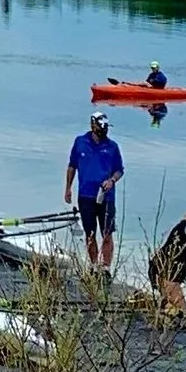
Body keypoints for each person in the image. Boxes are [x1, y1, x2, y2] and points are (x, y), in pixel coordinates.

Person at [65, 111, 125, 268]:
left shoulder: (113, 147)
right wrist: (68, 188)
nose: (103, 131)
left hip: (106, 196)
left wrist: (112, 180)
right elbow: (72, 166)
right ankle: (93, 265)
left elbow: (119, 170)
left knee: (107, 233)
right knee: (90, 233)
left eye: (105, 128)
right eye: (100, 127)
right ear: (93, 125)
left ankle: (105, 267)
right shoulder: (80, 142)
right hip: (86, 195)